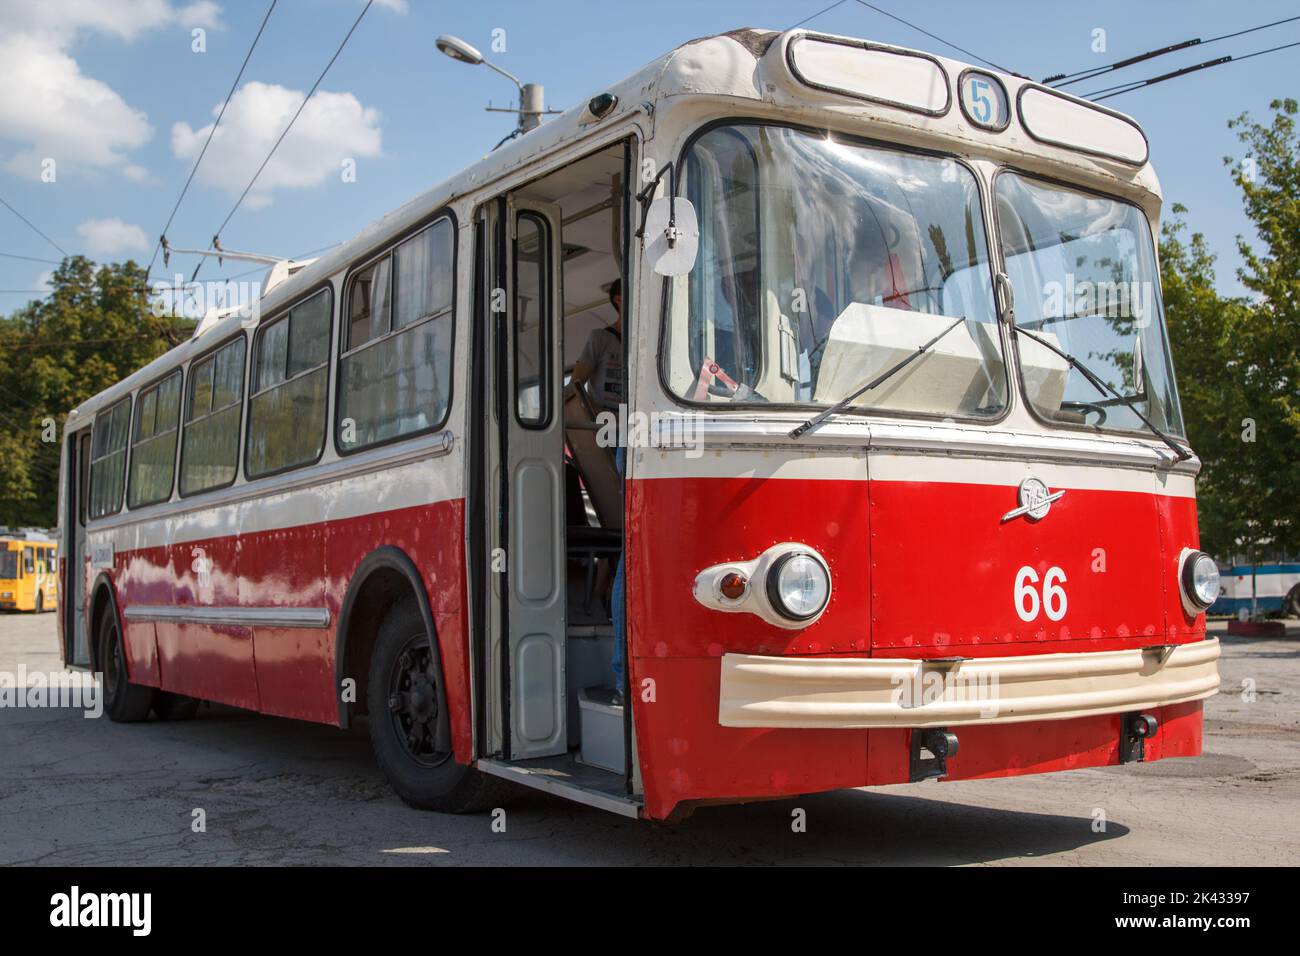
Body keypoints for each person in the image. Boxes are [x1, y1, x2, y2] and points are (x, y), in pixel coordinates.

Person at [570, 279, 623, 415]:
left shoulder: (644, 343)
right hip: (603, 426)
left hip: (636, 425)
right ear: (618, 300)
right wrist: (595, 413)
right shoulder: (600, 338)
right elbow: (576, 385)